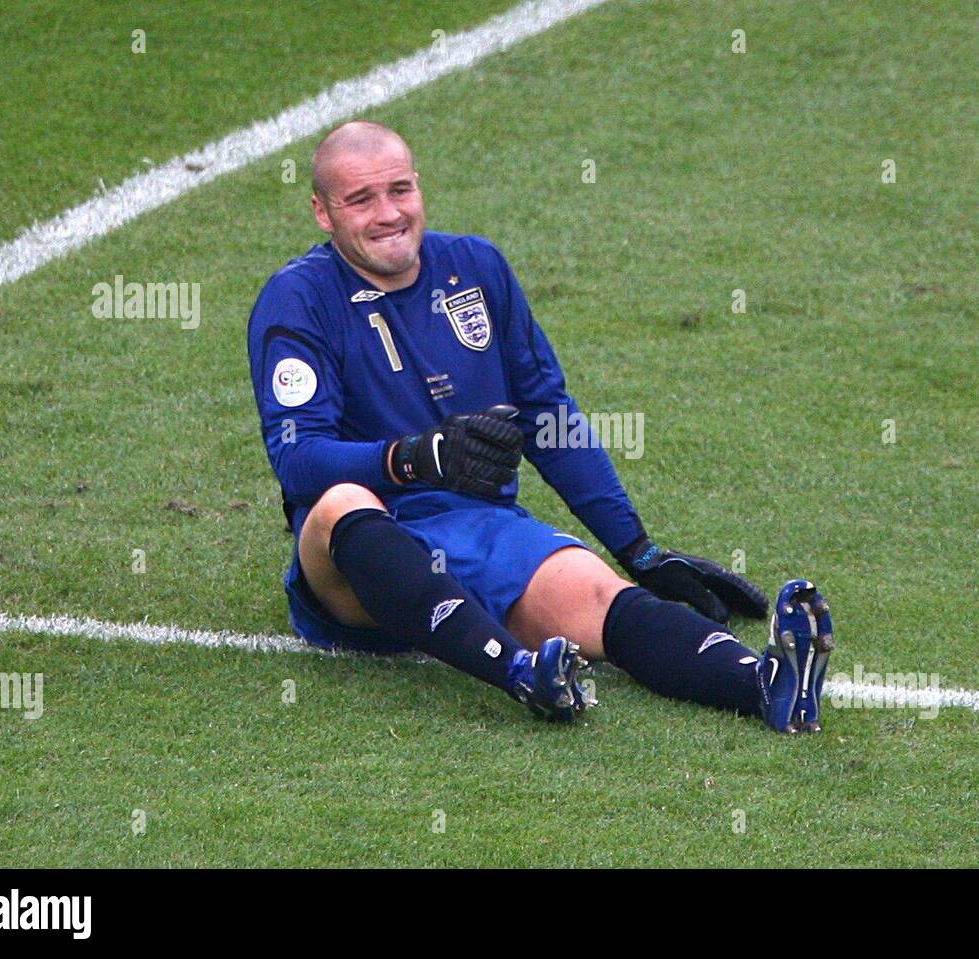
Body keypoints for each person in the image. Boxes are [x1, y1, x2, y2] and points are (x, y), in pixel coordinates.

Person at [246, 120, 834, 732]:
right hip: (357, 557)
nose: (388, 213)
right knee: (343, 501)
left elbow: (547, 416)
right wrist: (410, 458)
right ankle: (521, 674)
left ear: (419, 187)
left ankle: (767, 684)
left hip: (482, 528)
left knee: (602, 599)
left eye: (399, 190)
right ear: (323, 212)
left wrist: (640, 548)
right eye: (360, 200)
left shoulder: (475, 267)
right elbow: (298, 459)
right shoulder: (299, 298)